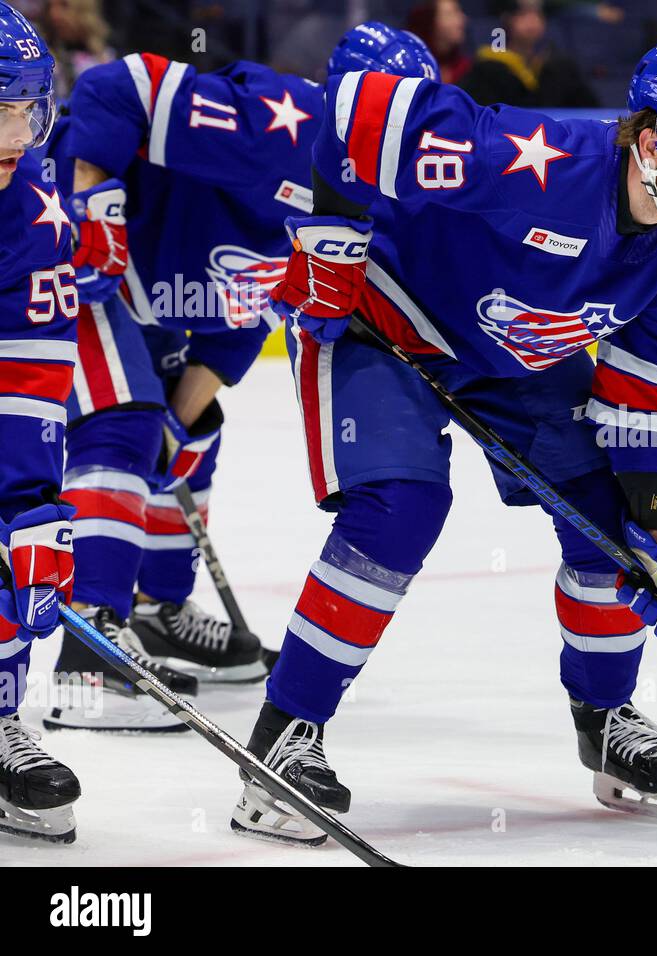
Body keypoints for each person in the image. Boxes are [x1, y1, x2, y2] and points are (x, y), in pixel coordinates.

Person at [232, 37, 657, 845]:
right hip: (381, 320)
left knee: (608, 526)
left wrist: (656, 522)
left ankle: (607, 722)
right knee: (399, 511)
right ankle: (282, 742)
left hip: (507, 356)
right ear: (653, 139)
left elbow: (648, 388)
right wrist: (331, 238)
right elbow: (355, 113)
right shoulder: (541, 165)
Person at [35, 22, 440, 734]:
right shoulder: (278, 124)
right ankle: (89, 662)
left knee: (185, 433)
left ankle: (156, 609)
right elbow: (112, 86)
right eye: (389, 108)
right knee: (122, 421)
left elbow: (255, 299)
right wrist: (91, 197)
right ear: (343, 99)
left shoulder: (379, 196)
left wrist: (184, 410)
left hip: (159, 290)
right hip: (75, 253)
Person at [0, 0, 81, 843]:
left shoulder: (29, 202)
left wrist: (27, 506)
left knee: (11, 536)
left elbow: (28, 369)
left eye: (25, 108)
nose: (16, 135)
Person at [457, 0, 597, 108]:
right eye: (523, 14)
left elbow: (589, 108)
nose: (532, 21)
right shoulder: (489, 67)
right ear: (507, 19)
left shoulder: (560, 66)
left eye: (537, 14)